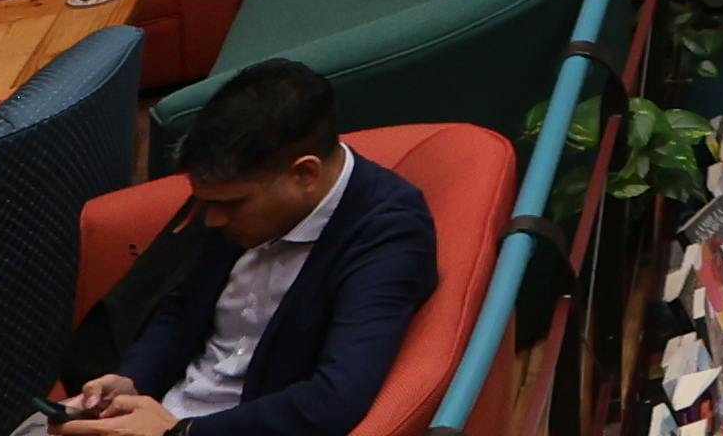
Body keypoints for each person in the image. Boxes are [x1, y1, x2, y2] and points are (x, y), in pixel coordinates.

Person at [51, 62, 436, 436]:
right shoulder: (234, 202)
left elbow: (334, 399)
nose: (213, 220)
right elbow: (181, 306)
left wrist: (180, 431)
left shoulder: (388, 232)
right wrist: (131, 382)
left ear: (304, 174)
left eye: (231, 204)